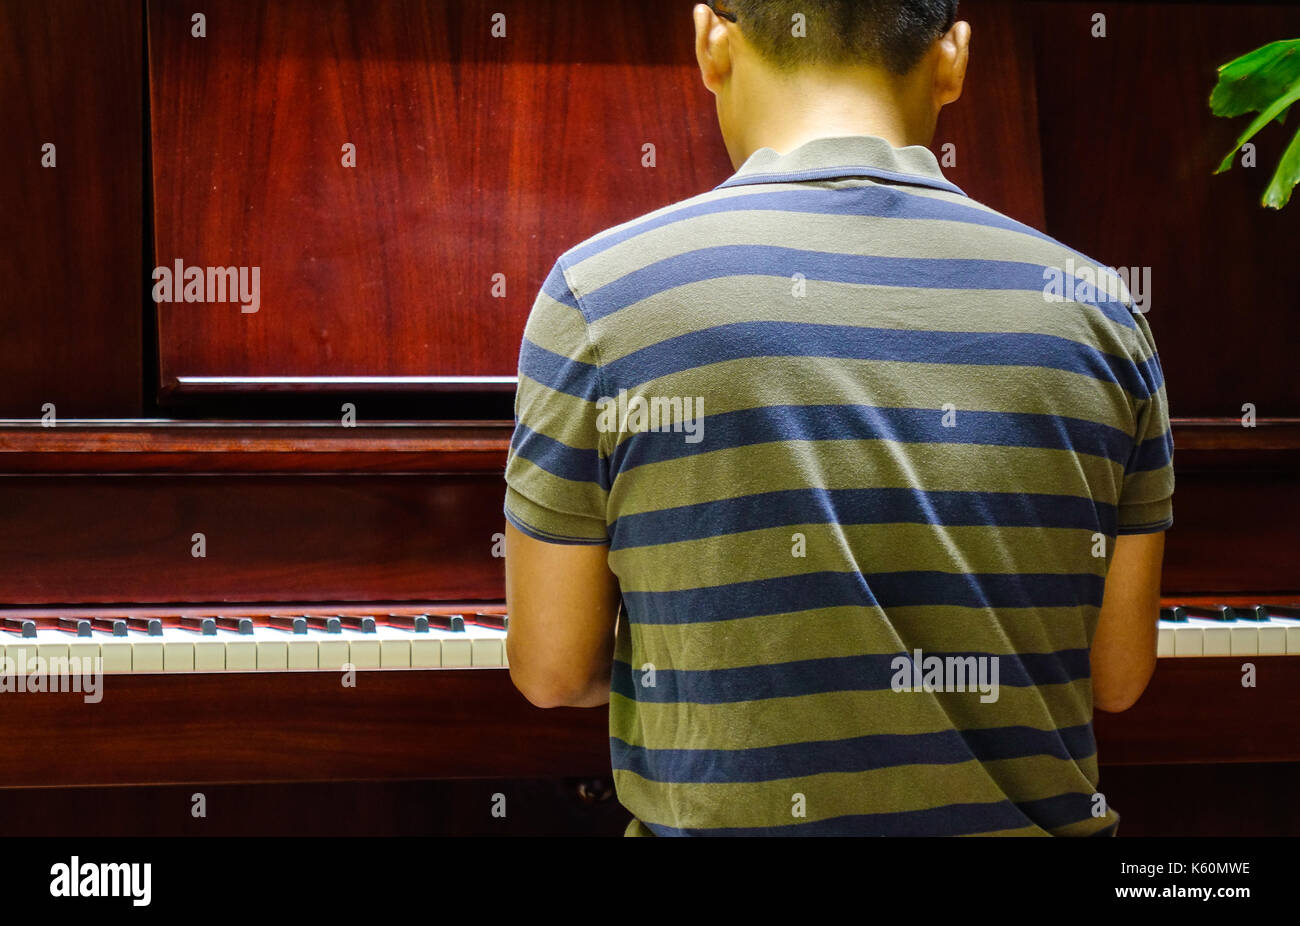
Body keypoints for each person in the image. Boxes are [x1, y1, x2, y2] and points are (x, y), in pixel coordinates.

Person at [501, 0, 1173, 836]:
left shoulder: (598, 294)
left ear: (712, 39)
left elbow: (552, 670)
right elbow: (1116, 676)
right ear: (954, 59)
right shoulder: (1101, 311)